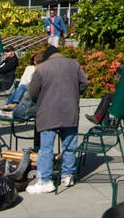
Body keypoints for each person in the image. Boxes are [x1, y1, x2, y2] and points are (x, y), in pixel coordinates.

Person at [25, 47, 88, 193]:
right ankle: (68, 175)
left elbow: (32, 92)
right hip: (70, 110)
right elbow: (84, 84)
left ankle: (45, 181)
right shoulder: (74, 64)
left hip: (48, 112)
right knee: (69, 146)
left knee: (46, 148)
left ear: (48, 57)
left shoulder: (42, 68)